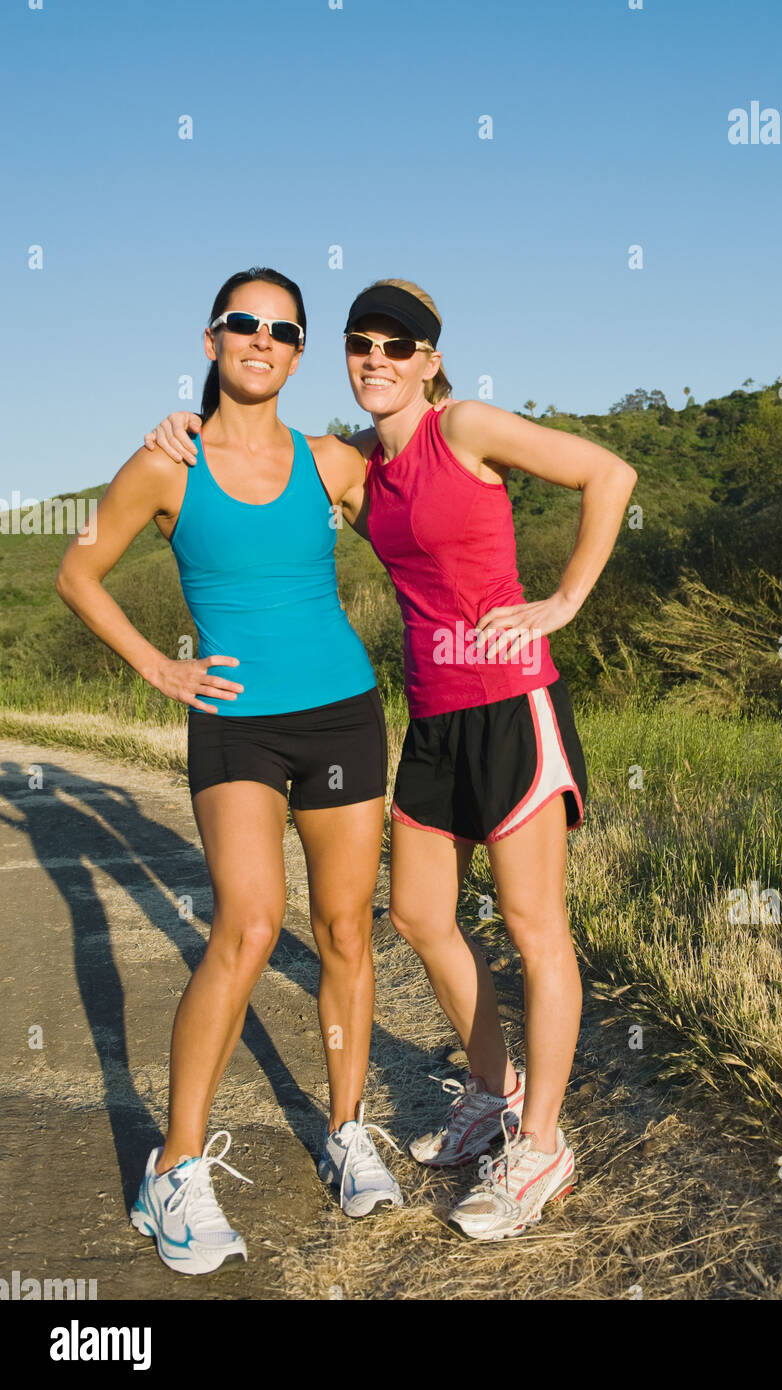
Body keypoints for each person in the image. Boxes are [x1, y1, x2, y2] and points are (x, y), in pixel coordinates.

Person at [145, 277, 637, 1240]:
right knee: (416, 913)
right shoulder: (355, 461)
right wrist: (181, 425)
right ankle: (495, 1091)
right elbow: (252, 450)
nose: (378, 359)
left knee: (537, 928)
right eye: (361, 343)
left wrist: (564, 601)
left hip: (512, 703)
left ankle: (539, 1145)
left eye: (399, 346)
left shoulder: (469, 428)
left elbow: (608, 475)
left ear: (432, 360)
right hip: (433, 720)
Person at [56, 268, 401, 1275]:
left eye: (282, 329)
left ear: (298, 353)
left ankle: (345, 1129)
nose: (262, 338)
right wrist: (160, 666)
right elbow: (78, 572)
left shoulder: (330, 458)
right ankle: (171, 1170)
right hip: (235, 724)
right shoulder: (167, 460)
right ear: (212, 340)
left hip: (342, 712)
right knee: (248, 922)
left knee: (343, 928)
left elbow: (425, 511)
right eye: (242, 322)